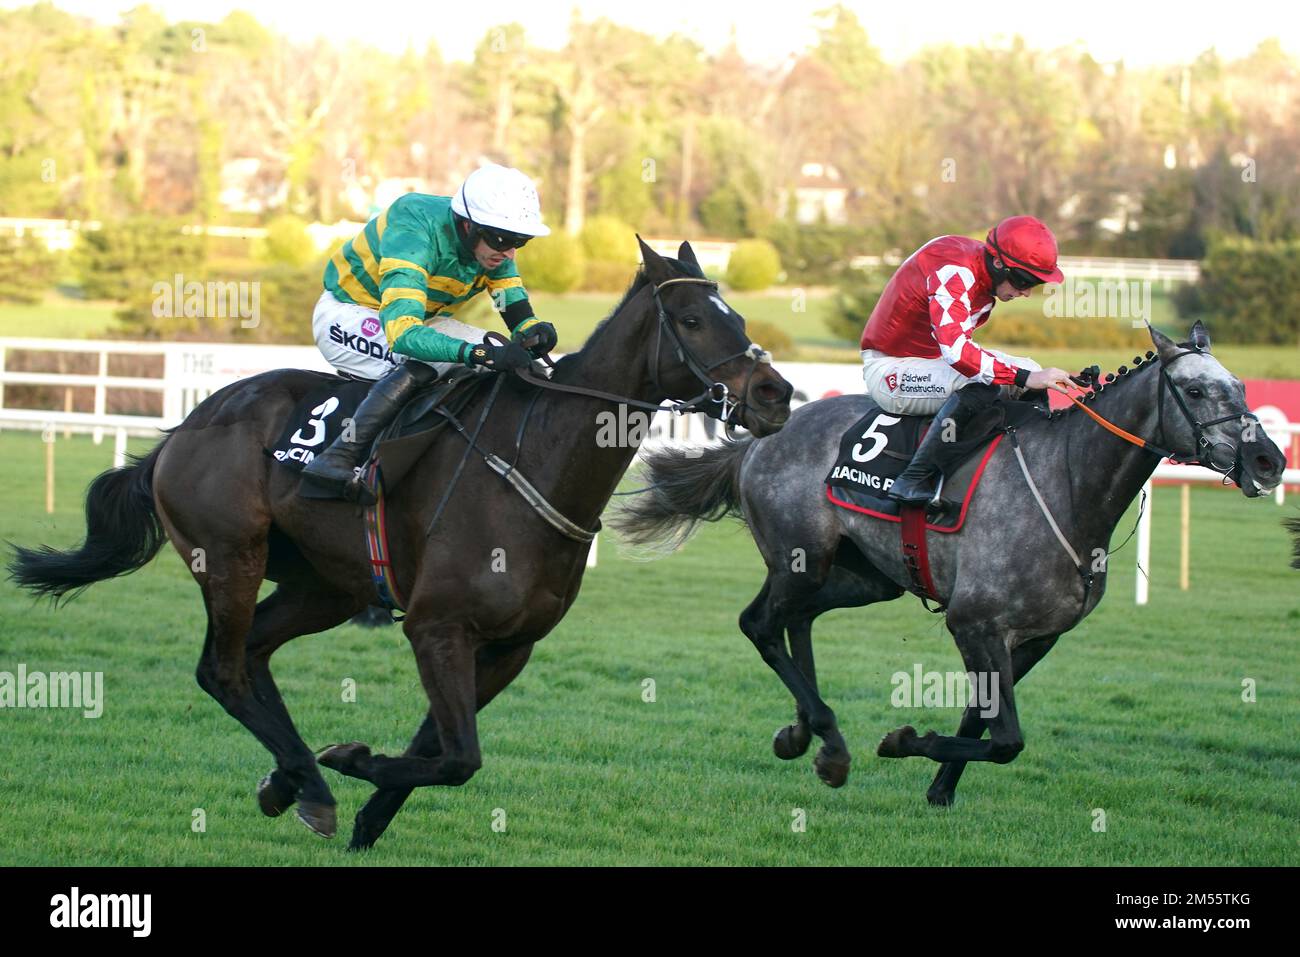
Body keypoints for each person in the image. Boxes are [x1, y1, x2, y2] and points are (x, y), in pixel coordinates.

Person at [301, 163, 555, 504]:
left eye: (520, 242)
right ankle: (338, 457)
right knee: (435, 360)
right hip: (350, 315)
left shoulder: (491, 240)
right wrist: (479, 354)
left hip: (415, 320)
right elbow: (404, 334)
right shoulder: (414, 226)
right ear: (468, 226)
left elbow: (508, 296)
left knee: (503, 357)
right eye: (504, 240)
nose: (510, 251)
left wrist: (531, 330)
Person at [857, 215, 1073, 504]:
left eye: (1034, 283)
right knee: (989, 381)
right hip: (890, 369)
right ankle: (913, 479)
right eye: (1024, 280)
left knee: (1032, 367)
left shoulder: (982, 272)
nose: (1026, 292)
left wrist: (1030, 375)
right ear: (998, 264)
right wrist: (1022, 378)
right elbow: (957, 353)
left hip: (927, 365)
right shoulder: (955, 270)